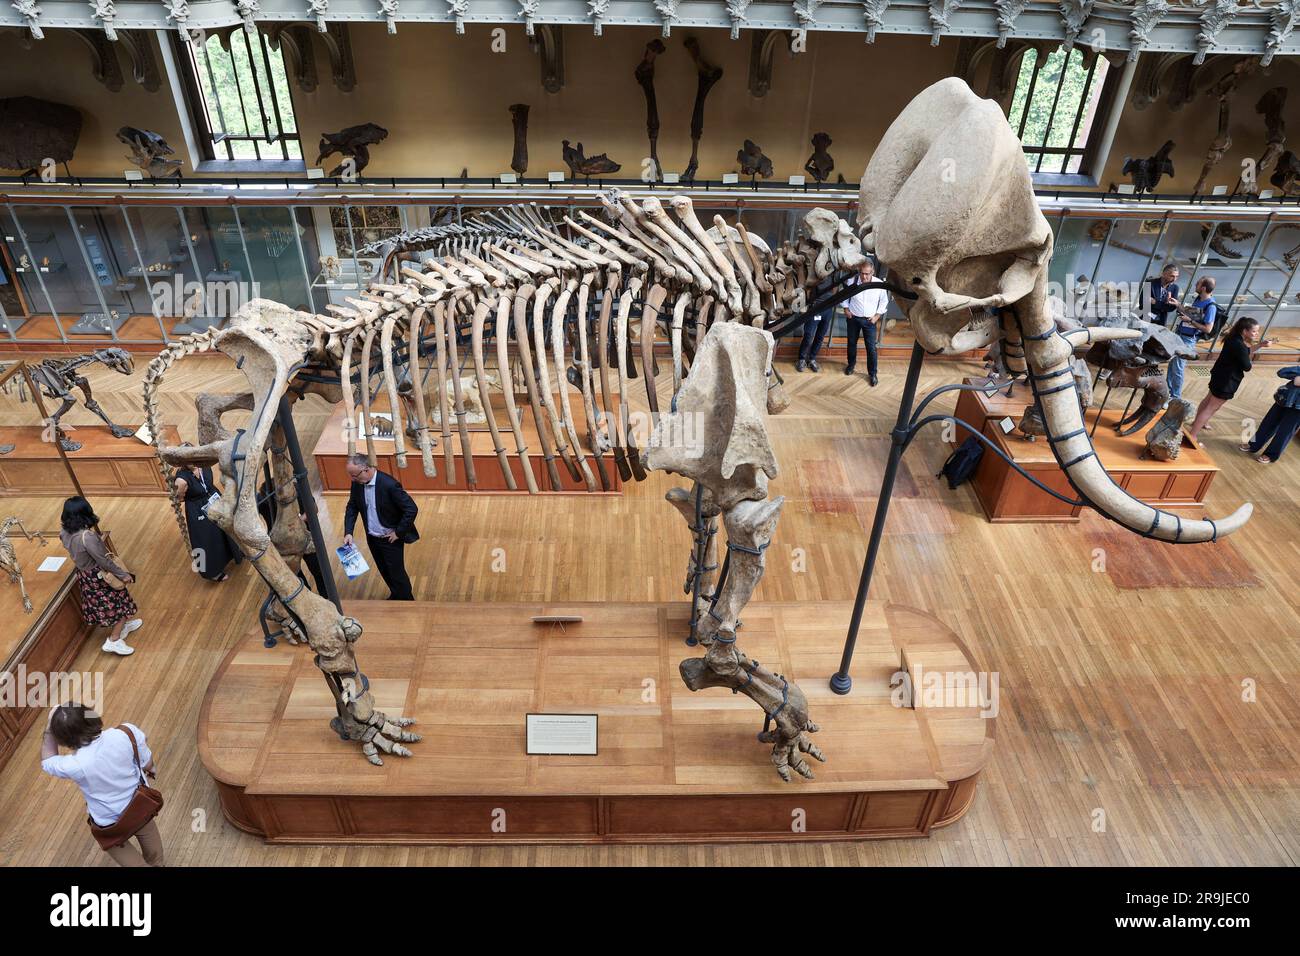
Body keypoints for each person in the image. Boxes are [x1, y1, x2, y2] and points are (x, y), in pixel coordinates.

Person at [41, 704, 163, 867]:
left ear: (63, 740)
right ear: (91, 716)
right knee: (156, 859)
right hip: (140, 808)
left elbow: (47, 761)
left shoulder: (75, 765)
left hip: (109, 826)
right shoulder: (126, 732)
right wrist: (150, 768)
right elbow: (148, 764)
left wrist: (50, 726)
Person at [59, 497, 141, 656]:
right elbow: (104, 561)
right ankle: (114, 640)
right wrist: (123, 575)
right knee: (120, 607)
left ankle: (123, 628)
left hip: (85, 576)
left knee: (112, 605)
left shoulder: (63, 532)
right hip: (99, 577)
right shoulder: (87, 537)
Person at [343, 454, 418, 600]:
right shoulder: (357, 483)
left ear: (365, 470)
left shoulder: (389, 484)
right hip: (372, 538)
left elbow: (411, 509)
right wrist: (348, 532)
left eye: (354, 475)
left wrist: (398, 532)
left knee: (397, 573)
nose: (352, 479)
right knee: (384, 570)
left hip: (390, 539)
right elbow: (352, 506)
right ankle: (396, 595)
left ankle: (408, 601)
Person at [1187, 317, 1272, 441]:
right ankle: (1192, 435)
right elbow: (1247, 366)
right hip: (1227, 381)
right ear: (1245, 331)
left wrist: (1260, 345)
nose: (1256, 334)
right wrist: (1250, 360)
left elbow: (1245, 351)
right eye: (1254, 331)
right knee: (1212, 407)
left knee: (1208, 400)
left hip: (1219, 375)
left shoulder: (1233, 338)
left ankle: (1198, 422)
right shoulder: (1240, 345)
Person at [175, 461, 236, 582]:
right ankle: (212, 572)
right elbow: (179, 497)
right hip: (197, 509)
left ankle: (233, 553)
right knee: (206, 539)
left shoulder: (204, 464)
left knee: (224, 529)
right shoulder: (181, 480)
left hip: (214, 498)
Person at [1167, 276, 1217, 400]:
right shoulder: (1198, 299)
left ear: (1204, 288)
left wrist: (1190, 321)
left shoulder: (1211, 306)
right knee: (1172, 365)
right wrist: (1178, 304)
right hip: (1180, 335)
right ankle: (1167, 393)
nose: (1196, 285)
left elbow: (1208, 329)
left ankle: (1175, 397)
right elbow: (1191, 314)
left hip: (1188, 339)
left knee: (1178, 367)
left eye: (1198, 284)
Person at [843, 258, 890, 386]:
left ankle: (873, 374)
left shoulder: (879, 284)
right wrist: (846, 309)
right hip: (853, 318)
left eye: (867, 273)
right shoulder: (852, 281)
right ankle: (851, 365)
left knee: (871, 348)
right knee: (851, 344)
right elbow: (844, 296)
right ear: (859, 271)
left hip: (870, 321)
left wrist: (877, 316)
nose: (864, 276)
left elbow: (884, 301)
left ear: (872, 272)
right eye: (862, 273)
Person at [1241, 365, 1300, 463]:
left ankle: (1271, 454)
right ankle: (1253, 445)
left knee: (1285, 432)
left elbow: (1297, 382)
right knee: (1268, 423)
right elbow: (1282, 372)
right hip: (1284, 399)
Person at [796, 274, 835, 372]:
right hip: (815, 307)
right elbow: (807, 289)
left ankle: (812, 359)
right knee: (808, 334)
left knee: (820, 336)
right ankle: (801, 359)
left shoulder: (834, 273)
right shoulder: (814, 272)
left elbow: (835, 288)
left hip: (828, 308)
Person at [1146, 263, 1180, 327]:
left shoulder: (1175, 288)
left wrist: (1155, 302)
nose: (1174, 279)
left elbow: (1171, 308)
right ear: (1164, 274)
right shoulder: (1150, 283)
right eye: (1172, 276)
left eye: (1176, 276)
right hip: (1146, 319)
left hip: (1161, 322)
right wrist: (1164, 305)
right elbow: (1143, 302)